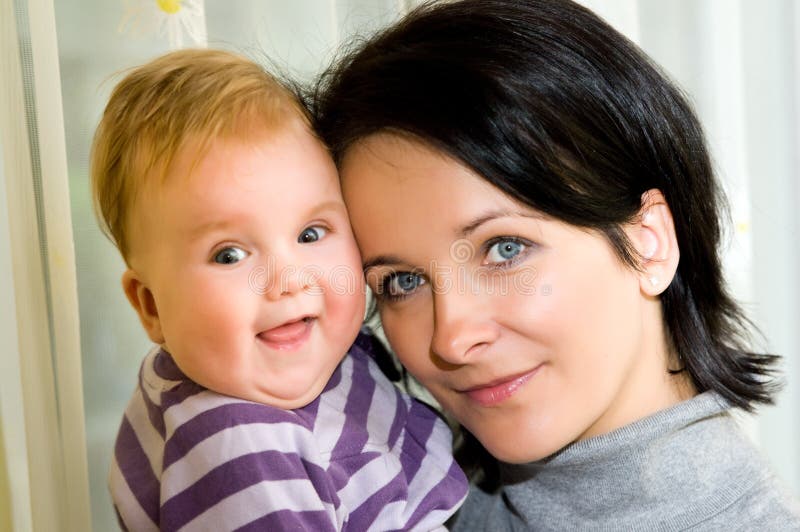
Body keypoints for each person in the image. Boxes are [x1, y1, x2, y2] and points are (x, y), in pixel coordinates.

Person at [312, 0, 800, 529]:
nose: (452, 338)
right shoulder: (379, 490)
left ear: (649, 242)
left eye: (505, 248)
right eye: (402, 282)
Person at [91, 48, 467, 531]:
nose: (290, 279)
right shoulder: (241, 452)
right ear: (151, 306)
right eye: (229, 254)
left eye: (310, 234)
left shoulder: (285, 353)